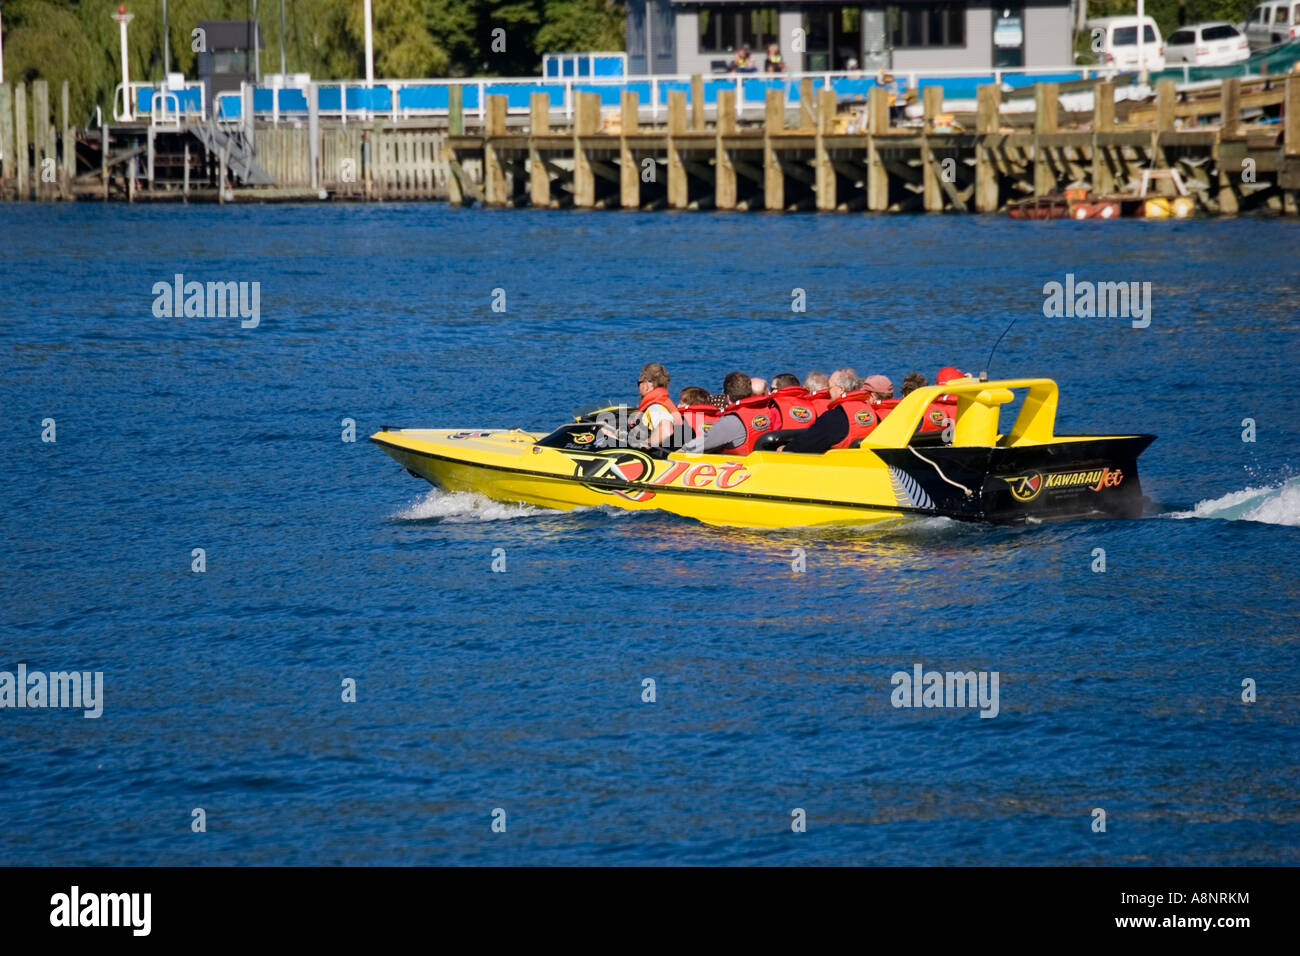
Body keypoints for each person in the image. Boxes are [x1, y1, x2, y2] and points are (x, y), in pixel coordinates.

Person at [681, 371, 781, 455]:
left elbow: (694, 447)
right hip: (761, 462)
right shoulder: (768, 410)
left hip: (740, 468)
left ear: (727, 396)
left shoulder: (731, 420)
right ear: (750, 393)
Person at [781, 368, 880, 454]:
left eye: (830, 387)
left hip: (837, 469)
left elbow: (803, 445)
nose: (828, 391)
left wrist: (784, 449)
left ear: (841, 389)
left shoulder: (835, 417)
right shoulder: (872, 412)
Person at [632, 363, 682, 447]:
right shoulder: (665, 401)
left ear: (646, 385)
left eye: (639, 383)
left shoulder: (655, 407)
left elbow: (666, 431)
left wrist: (643, 445)